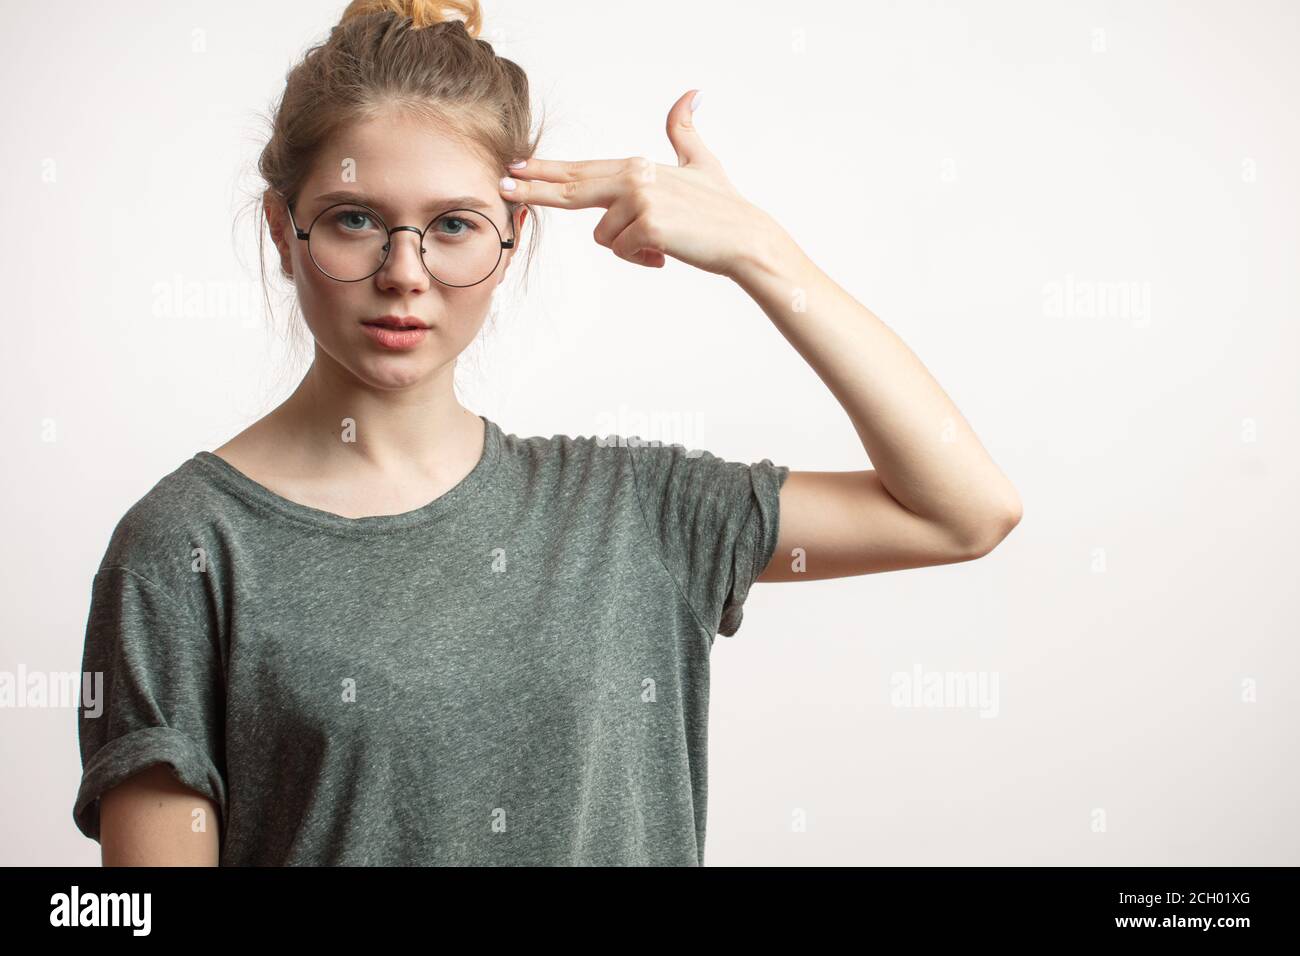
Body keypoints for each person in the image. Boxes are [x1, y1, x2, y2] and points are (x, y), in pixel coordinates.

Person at [73, 0, 1022, 866]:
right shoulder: (184, 548)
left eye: (453, 225)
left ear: (514, 234)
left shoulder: (633, 515)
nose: (405, 272)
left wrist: (757, 250)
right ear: (284, 231)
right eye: (355, 219)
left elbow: (964, 512)